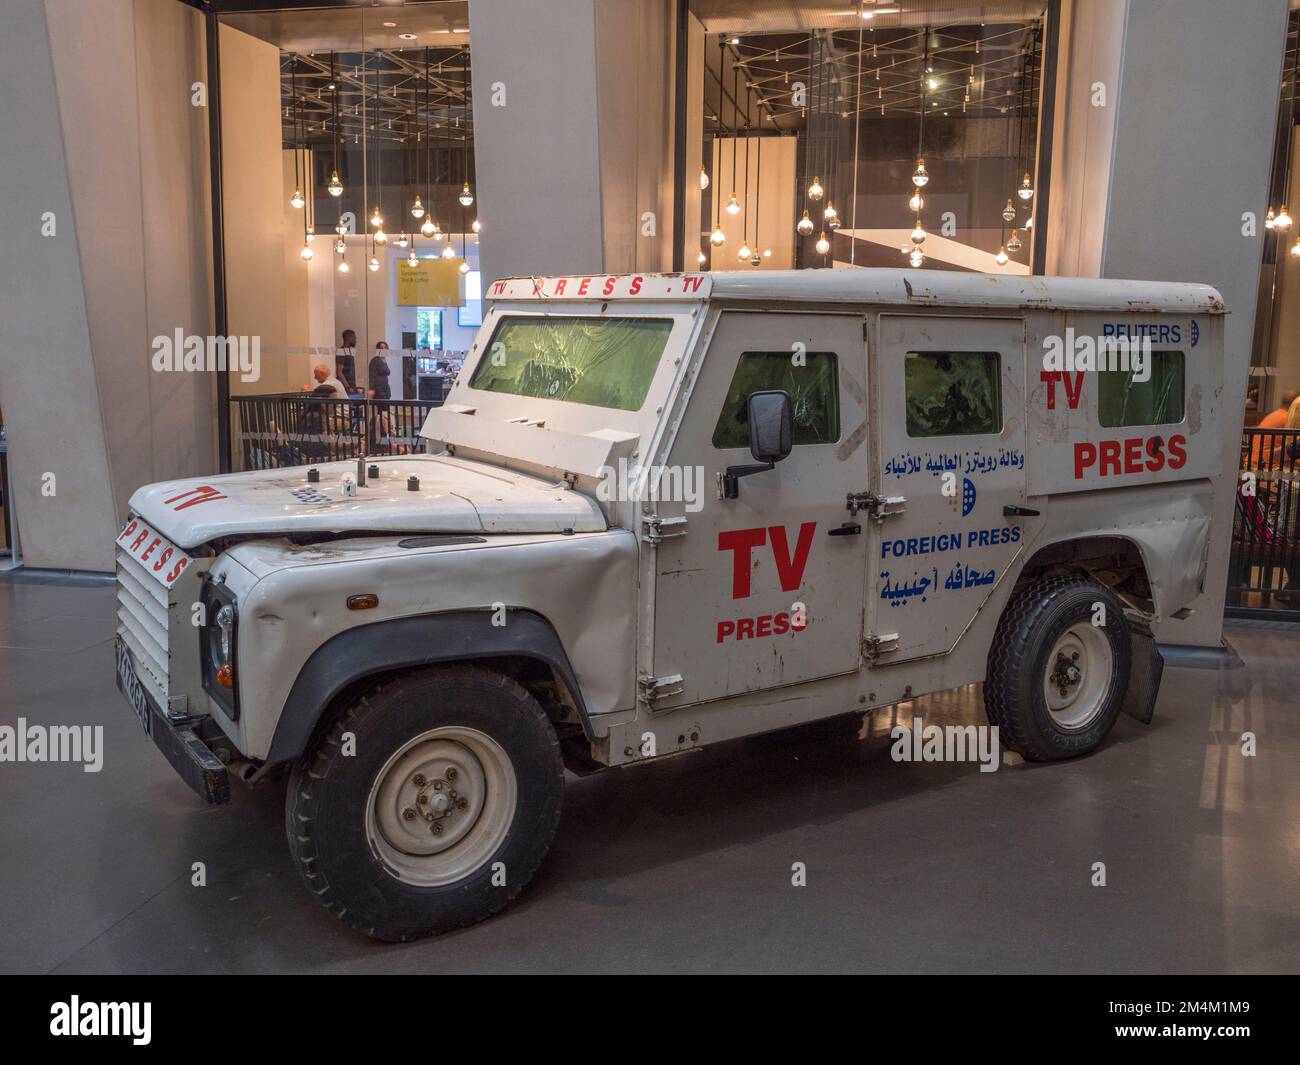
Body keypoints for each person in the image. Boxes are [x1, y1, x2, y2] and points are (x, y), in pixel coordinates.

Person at [1254, 388, 1299, 468]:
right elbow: (1294, 451)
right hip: (1269, 468)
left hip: (1252, 464)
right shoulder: (1290, 420)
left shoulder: (1273, 415)